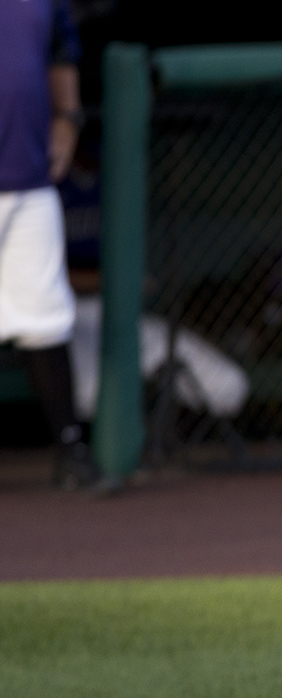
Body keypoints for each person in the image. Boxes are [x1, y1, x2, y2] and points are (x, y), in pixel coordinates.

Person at [1, 0, 93, 489]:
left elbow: (61, 51)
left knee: (45, 316)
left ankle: (71, 452)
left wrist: (68, 119)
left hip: (27, 177)